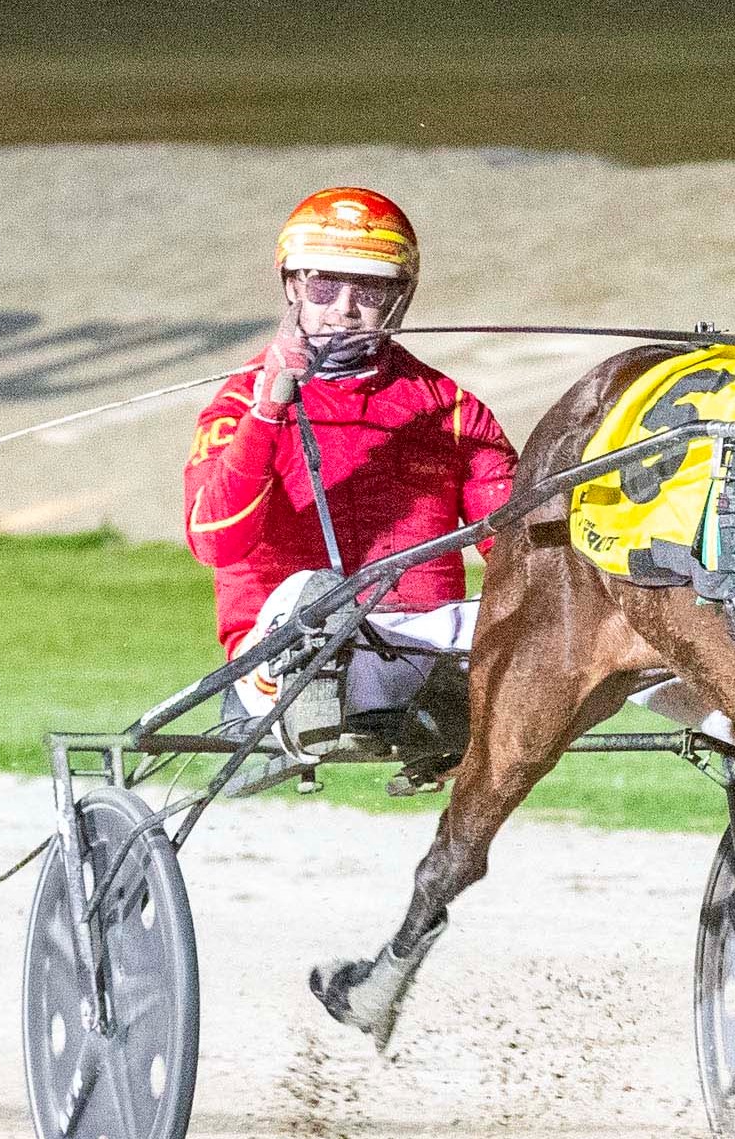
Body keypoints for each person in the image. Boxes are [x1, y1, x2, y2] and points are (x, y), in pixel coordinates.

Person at [183, 186, 515, 742]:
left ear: (399, 298)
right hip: (285, 650)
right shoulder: (239, 404)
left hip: (425, 647)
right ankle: (328, 699)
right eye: (324, 287)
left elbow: (516, 546)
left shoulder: (453, 409)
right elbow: (214, 545)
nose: (344, 308)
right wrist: (269, 412)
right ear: (293, 288)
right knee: (316, 596)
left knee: (568, 606)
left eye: (369, 290)